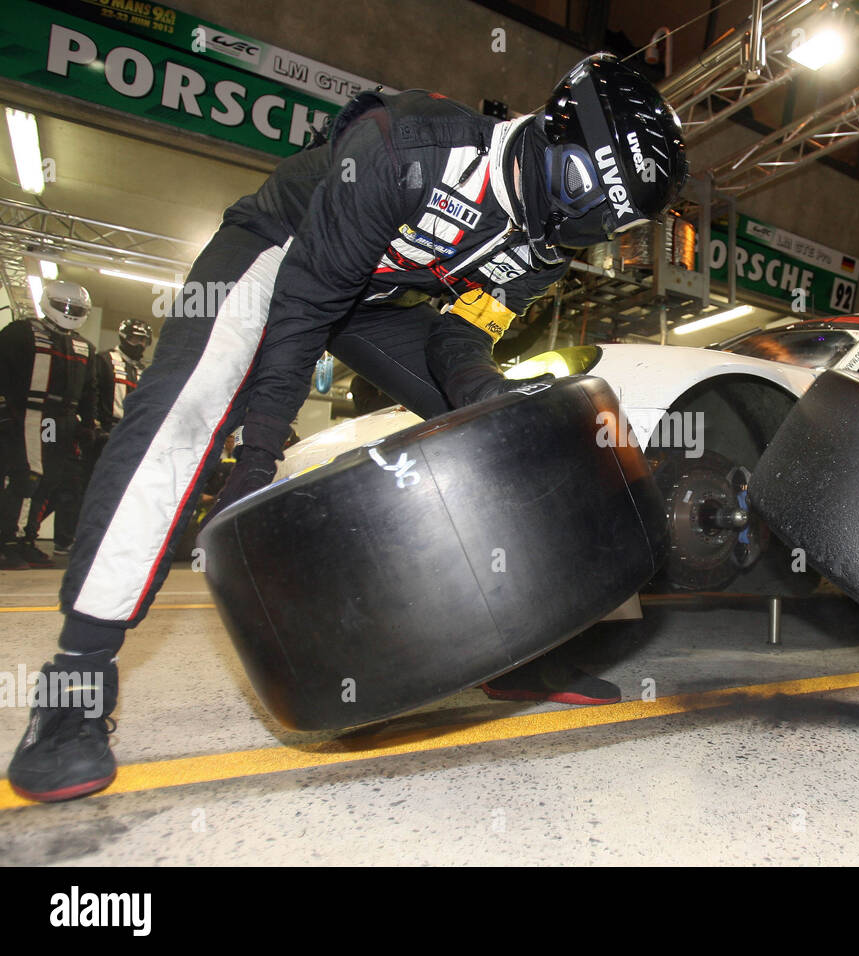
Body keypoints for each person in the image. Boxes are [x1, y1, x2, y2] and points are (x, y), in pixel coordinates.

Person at [7, 53, 688, 802]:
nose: (575, 229)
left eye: (603, 225)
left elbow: (458, 336)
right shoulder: (409, 150)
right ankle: (74, 683)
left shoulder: (542, 244)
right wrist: (256, 453)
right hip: (280, 252)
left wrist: (486, 400)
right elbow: (303, 305)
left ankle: (509, 645)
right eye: (580, 198)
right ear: (553, 134)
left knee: (506, 431)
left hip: (372, 301)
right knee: (182, 417)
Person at [0, 281, 98, 569]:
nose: (70, 313)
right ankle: (7, 541)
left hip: (59, 423)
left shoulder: (83, 346)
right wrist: (5, 411)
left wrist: (88, 422)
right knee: (26, 477)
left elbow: (89, 390)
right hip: (26, 417)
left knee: (49, 480)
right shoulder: (20, 333)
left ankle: (27, 539)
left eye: (77, 309)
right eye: (65, 307)